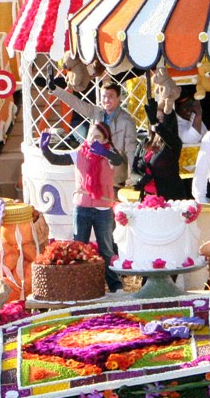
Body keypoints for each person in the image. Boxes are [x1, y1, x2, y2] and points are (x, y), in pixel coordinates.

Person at [40, 93, 125, 292]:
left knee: (106, 248)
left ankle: (115, 285)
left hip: (103, 209)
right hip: (82, 208)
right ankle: (80, 284)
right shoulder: (79, 153)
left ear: (105, 139)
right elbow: (56, 159)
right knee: (80, 247)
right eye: (91, 136)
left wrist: (104, 152)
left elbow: (119, 161)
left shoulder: (109, 155)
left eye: (98, 137)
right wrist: (45, 149)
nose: (93, 140)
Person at [50, 81, 137, 187]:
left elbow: (131, 149)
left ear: (119, 98)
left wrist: (133, 177)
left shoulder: (127, 121)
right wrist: (56, 90)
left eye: (110, 96)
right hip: (94, 171)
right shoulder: (97, 112)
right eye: (104, 96)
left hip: (114, 176)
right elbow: (77, 103)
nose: (106, 100)